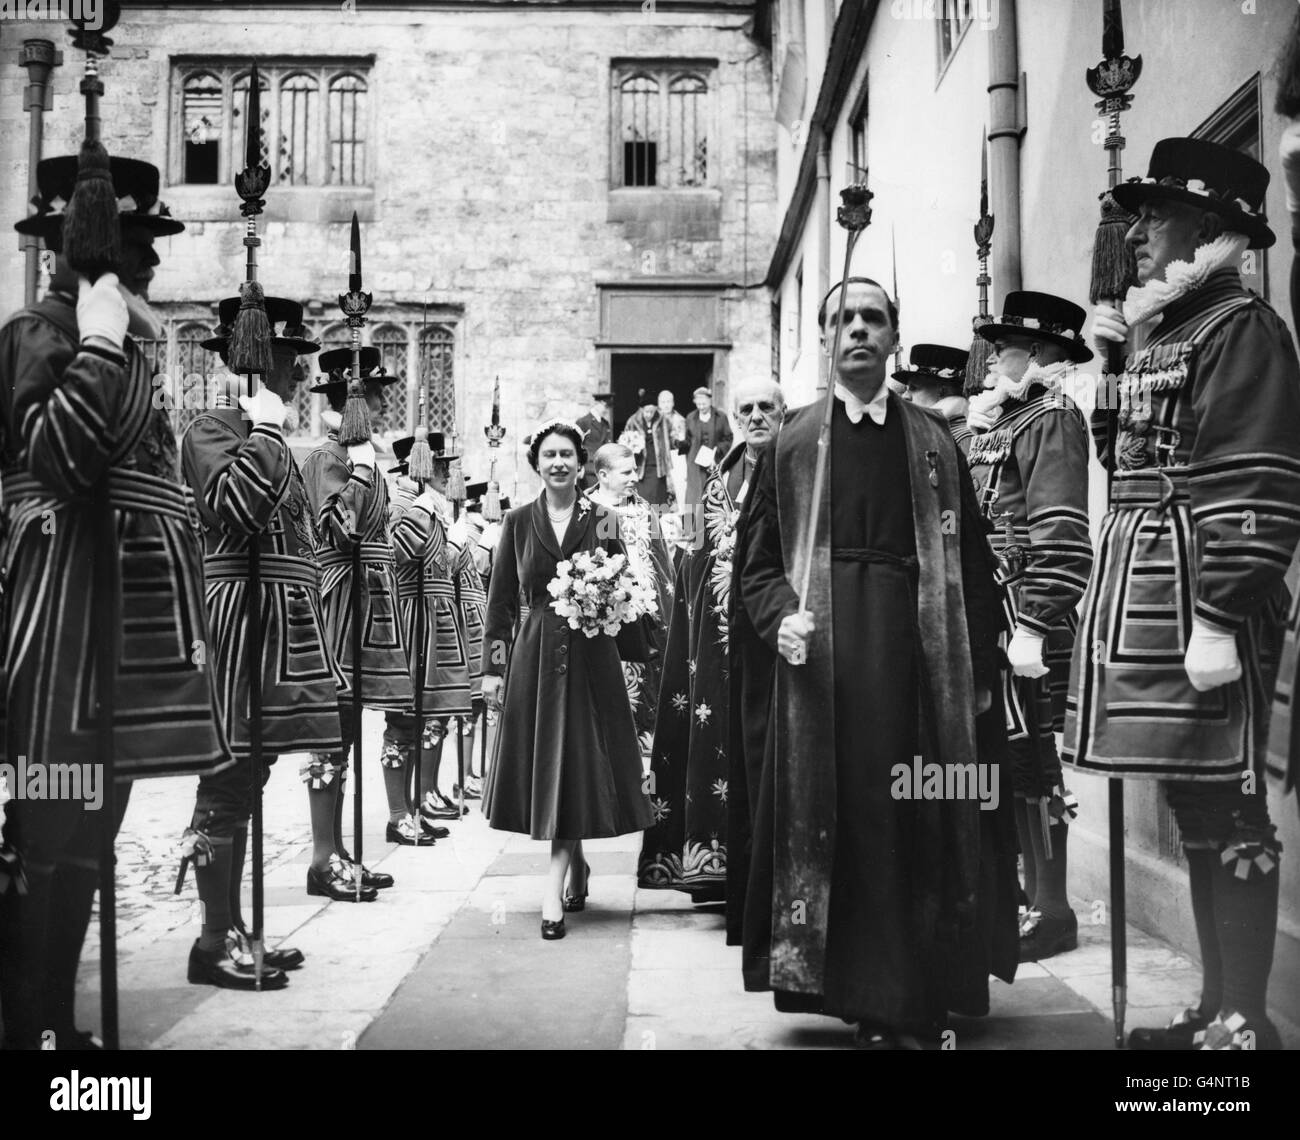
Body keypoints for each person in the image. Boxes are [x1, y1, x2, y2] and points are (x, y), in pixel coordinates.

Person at [1068, 138, 1300, 1051]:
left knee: (1236, 801)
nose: (1136, 235)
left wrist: (1219, 614)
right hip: (1149, 593)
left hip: (1210, 604)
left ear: (1204, 228)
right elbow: (1120, 462)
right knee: (1195, 800)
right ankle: (1216, 1007)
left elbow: (1254, 482)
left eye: (1154, 217)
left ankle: (1248, 1023)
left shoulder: (1242, 327)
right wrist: (1108, 376)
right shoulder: (1160, 331)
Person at [739, 276, 1011, 1048]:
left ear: (895, 335)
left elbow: (975, 561)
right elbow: (756, 567)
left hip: (924, 664)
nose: (858, 330)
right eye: (843, 320)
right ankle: (866, 994)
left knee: (922, 809)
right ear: (825, 340)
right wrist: (777, 619)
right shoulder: (793, 443)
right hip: (828, 671)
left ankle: (918, 991)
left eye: (873, 318)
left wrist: (981, 674)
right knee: (851, 820)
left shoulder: (934, 442)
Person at [1, 155, 231, 1047]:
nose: (150, 269)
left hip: (122, 635)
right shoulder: (39, 332)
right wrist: (97, 342)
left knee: (95, 842)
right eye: (134, 250)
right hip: (62, 627)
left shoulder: (126, 343)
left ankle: (62, 1022)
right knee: (51, 838)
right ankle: (32, 1032)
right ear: (84, 251)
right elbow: (58, 457)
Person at [178, 296, 344, 989]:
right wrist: (269, 437)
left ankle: (239, 929)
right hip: (239, 621)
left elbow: (307, 541)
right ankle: (213, 938)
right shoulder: (212, 429)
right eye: (287, 363)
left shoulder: (275, 435)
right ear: (252, 362)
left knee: (254, 775)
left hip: (284, 626)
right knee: (227, 776)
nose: (299, 377)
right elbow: (233, 509)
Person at [481, 420, 653, 940]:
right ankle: (575, 866)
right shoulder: (516, 521)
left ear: (582, 464)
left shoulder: (603, 519)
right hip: (535, 656)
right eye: (549, 455)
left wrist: (626, 639)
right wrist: (492, 668)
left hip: (591, 656)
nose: (558, 463)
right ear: (537, 463)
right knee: (553, 762)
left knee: (576, 760)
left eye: (567, 455)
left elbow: (623, 584)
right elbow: (502, 602)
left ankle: (552, 891)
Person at [964, 293, 1094, 963]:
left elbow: (1064, 533)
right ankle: (1023, 892)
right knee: (1009, 763)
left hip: (1026, 618)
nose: (992, 357)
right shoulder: (997, 423)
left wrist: (1037, 621)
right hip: (991, 612)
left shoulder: (1053, 417)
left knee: (1036, 764)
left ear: (1039, 356)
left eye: (1007, 346)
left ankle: (1054, 906)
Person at [638, 378, 782, 914]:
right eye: (747, 408)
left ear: (784, 413)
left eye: (767, 407)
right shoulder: (719, 476)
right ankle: (716, 867)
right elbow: (691, 551)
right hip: (720, 645)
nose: (756, 416)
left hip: (777, 640)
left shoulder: (802, 467)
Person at [300, 347, 413, 899]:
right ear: (351, 400)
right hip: (339, 601)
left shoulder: (362, 456)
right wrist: (364, 469)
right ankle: (324, 854)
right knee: (332, 727)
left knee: (348, 730)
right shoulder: (327, 457)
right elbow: (339, 526)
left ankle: (342, 853)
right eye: (373, 393)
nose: (382, 402)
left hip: (370, 600)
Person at [384, 431, 468, 842]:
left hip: (431, 616)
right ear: (419, 468)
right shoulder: (405, 506)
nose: (445, 473)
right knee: (402, 721)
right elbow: (394, 559)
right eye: (439, 466)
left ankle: (414, 807)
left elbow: (442, 569)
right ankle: (398, 813)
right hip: (411, 618)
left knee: (420, 719)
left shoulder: (427, 509)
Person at [587, 442, 674, 748]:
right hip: (603, 617)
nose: (635, 477)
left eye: (635, 470)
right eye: (626, 472)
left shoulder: (645, 510)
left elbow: (663, 567)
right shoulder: (586, 511)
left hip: (646, 617)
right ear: (603, 475)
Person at [894, 344, 972, 455]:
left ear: (942, 391)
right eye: (906, 389)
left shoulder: (961, 438)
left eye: (914, 388)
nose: (905, 396)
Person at [681, 385, 734, 508]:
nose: (701, 407)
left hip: (713, 463)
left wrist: (717, 453)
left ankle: (710, 526)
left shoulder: (721, 417)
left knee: (712, 494)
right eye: (698, 404)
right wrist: (680, 444)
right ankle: (691, 526)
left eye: (703, 404)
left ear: (710, 401)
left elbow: (728, 438)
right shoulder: (690, 417)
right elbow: (688, 440)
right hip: (694, 464)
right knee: (693, 496)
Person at [622, 389, 674, 506]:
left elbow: (671, 439)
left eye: (651, 412)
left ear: (656, 409)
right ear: (641, 410)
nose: (649, 415)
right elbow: (624, 441)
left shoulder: (663, 420)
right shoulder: (633, 421)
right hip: (641, 467)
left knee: (658, 500)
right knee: (642, 499)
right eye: (646, 412)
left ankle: (657, 523)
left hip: (658, 467)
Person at [575, 390, 613, 489]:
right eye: (605, 406)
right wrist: (579, 467)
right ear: (597, 404)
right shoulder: (583, 422)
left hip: (603, 469)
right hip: (588, 469)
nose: (607, 409)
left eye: (608, 407)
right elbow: (576, 445)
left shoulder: (605, 424)